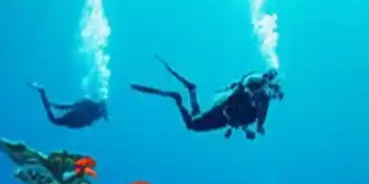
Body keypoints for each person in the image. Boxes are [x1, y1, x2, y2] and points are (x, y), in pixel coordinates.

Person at [130, 57, 283, 139]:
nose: (272, 96)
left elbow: (247, 120)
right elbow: (246, 85)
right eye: (274, 92)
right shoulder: (257, 90)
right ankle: (178, 96)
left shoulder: (259, 106)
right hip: (222, 112)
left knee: (194, 121)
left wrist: (249, 130)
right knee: (192, 124)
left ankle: (190, 91)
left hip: (223, 117)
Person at [30, 84, 108, 129]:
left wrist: (55, 105)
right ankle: (43, 93)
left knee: (55, 120)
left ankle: (43, 93)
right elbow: (71, 106)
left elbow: (70, 106)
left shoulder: (97, 110)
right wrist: (55, 105)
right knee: (55, 120)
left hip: (76, 121)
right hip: (75, 120)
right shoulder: (89, 104)